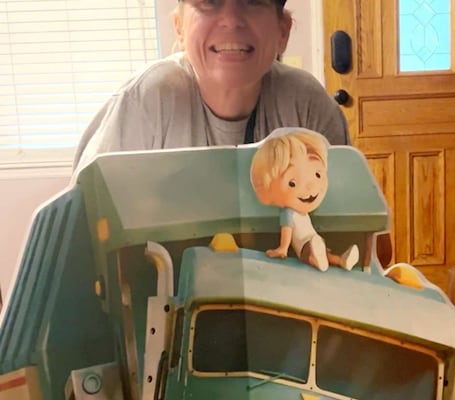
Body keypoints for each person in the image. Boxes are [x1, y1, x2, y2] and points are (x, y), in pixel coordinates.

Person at [73, 0, 350, 173]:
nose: (231, 19)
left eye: (253, 1)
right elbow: (84, 228)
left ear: (283, 31)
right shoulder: (144, 104)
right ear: (179, 27)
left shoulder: (307, 105)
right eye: (209, 1)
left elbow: (356, 231)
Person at [250, 128, 359, 271]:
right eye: (292, 183)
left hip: (314, 239)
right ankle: (317, 259)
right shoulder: (288, 212)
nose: (310, 187)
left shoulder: (300, 211)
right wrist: (283, 248)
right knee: (313, 252)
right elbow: (287, 230)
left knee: (325, 253)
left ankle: (341, 260)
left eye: (317, 175)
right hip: (304, 245)